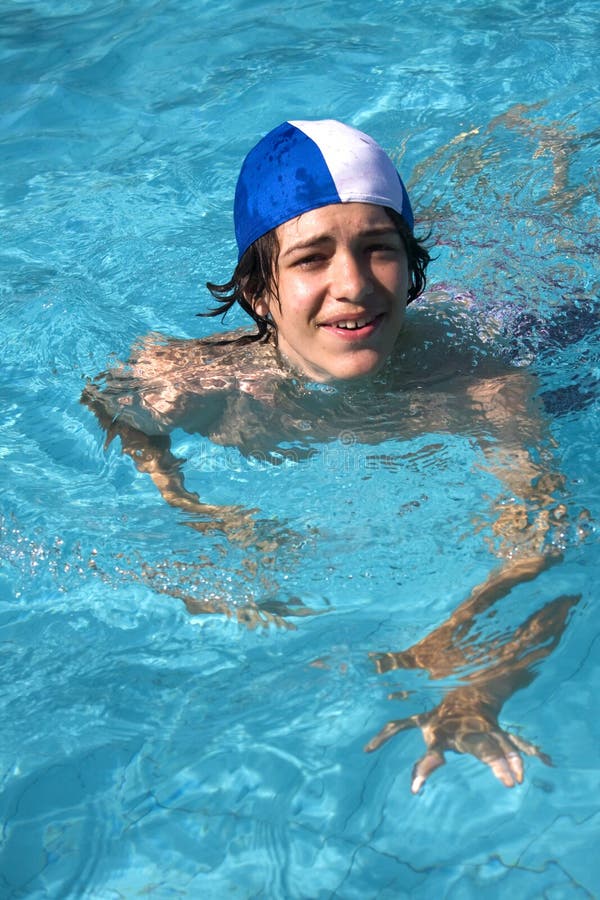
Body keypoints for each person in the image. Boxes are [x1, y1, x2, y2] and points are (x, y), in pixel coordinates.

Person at [83, 119, 581, 793]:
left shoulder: (483, 388)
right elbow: (109, 401)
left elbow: (542, 540)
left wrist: (476, 680)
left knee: (561, 231)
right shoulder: (199, 385)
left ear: (409, 268)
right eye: (312, 258)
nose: (353, 283)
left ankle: (551, 160)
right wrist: (189, 506)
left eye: (379, 249)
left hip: (540, 322)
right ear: (259, 291)